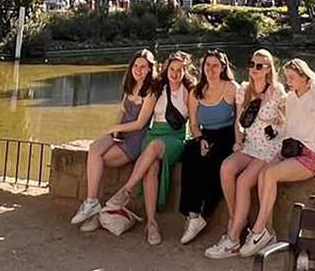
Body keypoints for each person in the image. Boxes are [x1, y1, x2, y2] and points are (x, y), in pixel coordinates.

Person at [240, 58, 315, 257]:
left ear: (304, 78)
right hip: (290, 149)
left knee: (270, 174)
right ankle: (268, 232)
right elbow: (288, 128)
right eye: (287, 77)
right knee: (263, 174)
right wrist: (275, 130)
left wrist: (314, 86)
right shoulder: (291, 98)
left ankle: (258, 230)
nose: (288, 81)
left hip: (310, 155)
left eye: (292, 78)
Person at [103, 51, 194, 245]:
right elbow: (138, 115)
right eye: (172, 69)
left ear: (185, 71)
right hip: (154, 134)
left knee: (154, 147)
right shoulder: (156, 89)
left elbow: (193, 124)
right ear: (166, 69)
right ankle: (152, 224)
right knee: (151, 167)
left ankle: (126, 190)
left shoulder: (190, 92)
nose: (175, 74)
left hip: (175, 138)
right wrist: (118, 128)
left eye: (179, 70)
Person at [204, 49, 285, 260]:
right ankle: (236, 220)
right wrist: (238, 141)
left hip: (269, 148)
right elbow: (238, 122)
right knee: (226, 168)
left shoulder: (276, 91)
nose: (254, 69)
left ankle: (232, 238)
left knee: (243, 181)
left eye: (259, 66)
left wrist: (277, 125)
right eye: (252, 64)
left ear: (268, 70)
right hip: (249, 145)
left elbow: (286, 121)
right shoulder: (244, 90)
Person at [69, 49, 158, 231]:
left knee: (99, 161)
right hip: (120, 132)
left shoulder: (151, 92)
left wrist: (115, 129)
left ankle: (95, 214)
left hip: (135, 138)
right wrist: (113, 132)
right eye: (135, 66)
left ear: (150, 69)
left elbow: (140, 124)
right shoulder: (130, 86)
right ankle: (92, 202)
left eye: (143, 67)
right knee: (95, 148)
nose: (138, 70)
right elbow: (122, 112)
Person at [178, 50, 239, 245]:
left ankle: (206, 211)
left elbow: (239, 121)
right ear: (202, 67)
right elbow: (194, 125)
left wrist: (238, 142)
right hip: (205, 134)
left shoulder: (231, 88)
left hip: (228, 135)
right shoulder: (196, 92)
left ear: (223, 68)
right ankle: (193, 215)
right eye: (207, 65)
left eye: (215, 65)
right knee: (190, 153)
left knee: (214, 160)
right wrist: (200, 139)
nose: (211, 69)